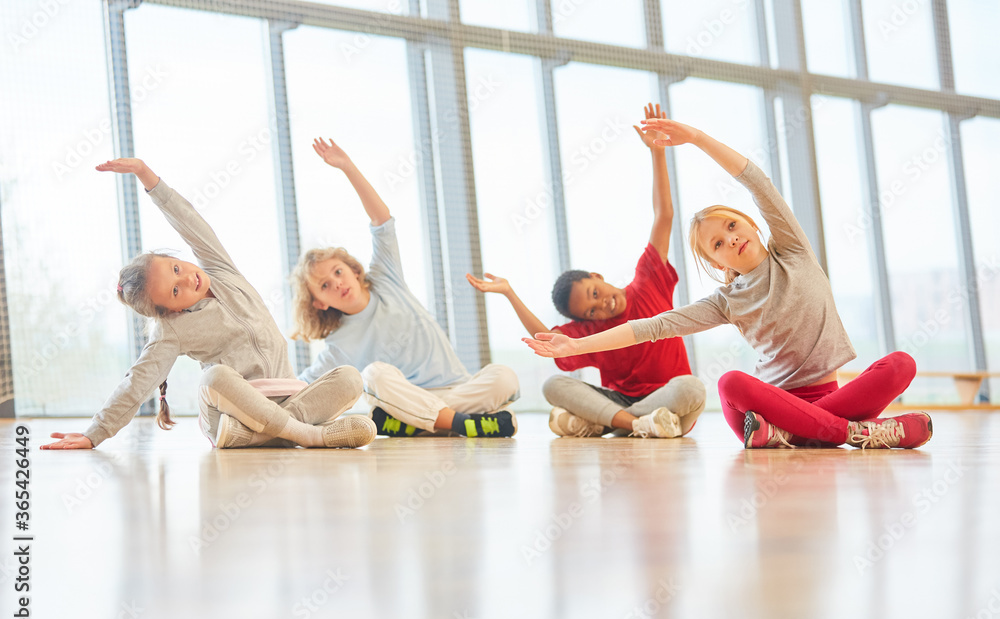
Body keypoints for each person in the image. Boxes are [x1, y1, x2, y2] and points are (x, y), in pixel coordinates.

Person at [523, 118, 933, 450]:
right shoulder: (726, 301)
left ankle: (803, 434)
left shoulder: (792, 250)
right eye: (717, 243)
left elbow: (756, 181)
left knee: (901, 364)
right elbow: (652, 327)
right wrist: (575, 345)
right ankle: (857, 433)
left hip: (822, 402)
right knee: (730, 384)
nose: (731, 239)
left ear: (753, 224)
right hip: (774, 405)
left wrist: (697, 138)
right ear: (715, 261)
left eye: (732, 226)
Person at [43, 158, 376, 451]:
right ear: (170, 310)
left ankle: (280, 433)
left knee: (350, 378)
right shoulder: (171, 330)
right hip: (231, 415)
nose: (186, 279)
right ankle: (310, 436)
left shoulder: (220, 270)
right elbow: (137, 381)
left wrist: (147, 176)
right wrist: (95, 432)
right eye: (174, 291)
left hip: (285, 399)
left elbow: (189, 221)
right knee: (214, 376)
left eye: (177, 269)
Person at [468, 103, 705, 439]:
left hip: (668, 398)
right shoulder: (592, 334)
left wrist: (657, 153)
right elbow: (547, 341)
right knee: (554, 385)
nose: (601, 305)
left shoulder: (649, 280)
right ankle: (636, 425)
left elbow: (663, 215)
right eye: (591, 310)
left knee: (691, 388)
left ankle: (605, 422)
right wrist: (509, 292)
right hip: (624, 402)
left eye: (595, 294)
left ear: (597, 276)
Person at [291, 138, 519, 438]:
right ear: (319, 302)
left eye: (338, 271)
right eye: (325, 285)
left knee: (505, 376)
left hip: (451, 390)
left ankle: (424, 423)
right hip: (402, 395)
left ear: (355, 271)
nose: (337, 283)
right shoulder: (338, 347)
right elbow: (299, 387)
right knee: (373, 375)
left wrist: (347, 166)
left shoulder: (387, 278)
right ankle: (461, 424)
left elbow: (382, 221)